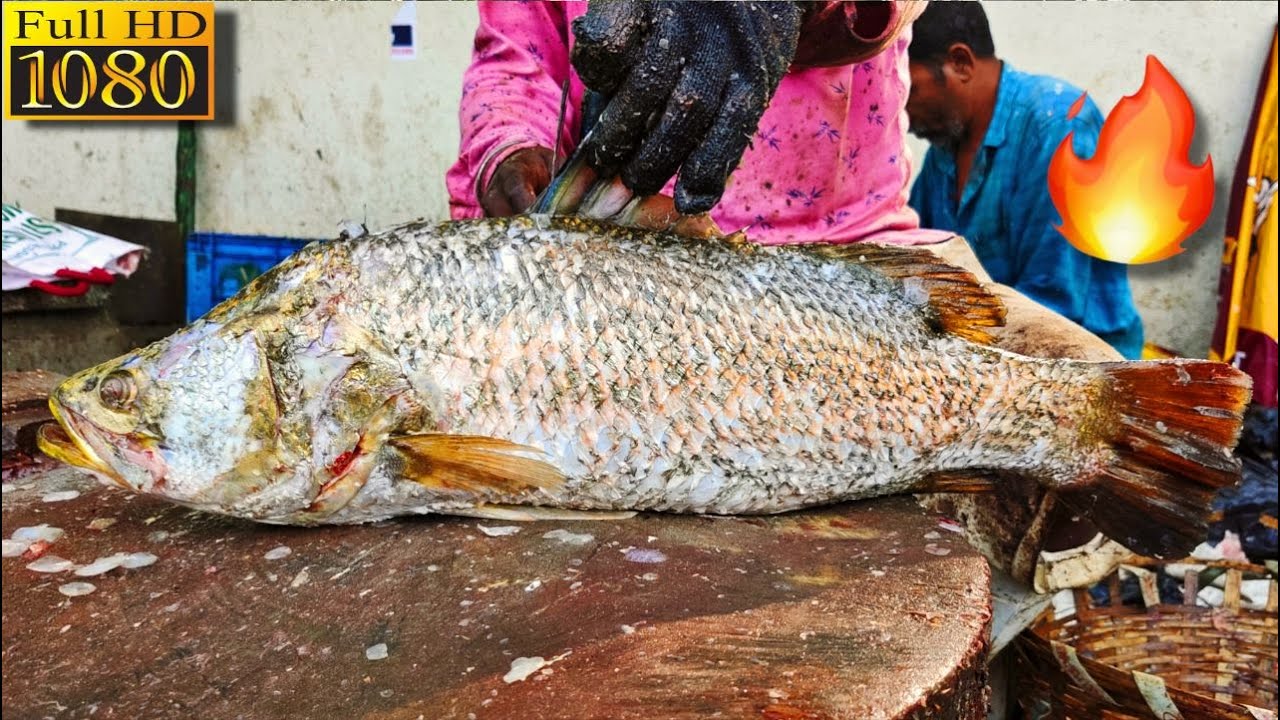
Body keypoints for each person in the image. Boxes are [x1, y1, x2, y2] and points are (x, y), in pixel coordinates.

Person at [445, 0, 1133, 591]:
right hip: (617, 277)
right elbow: (517, 53)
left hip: (855, 260)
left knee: (1096, 443)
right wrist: (505, 145)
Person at [905, 1, 1146, 360]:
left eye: (910, 92)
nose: (904, 116)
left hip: (1081, 367)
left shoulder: (1059, 124)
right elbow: (917, 262)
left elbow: (1055, 303)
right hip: (982, 355)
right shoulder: (945, 143)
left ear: (960, 63)